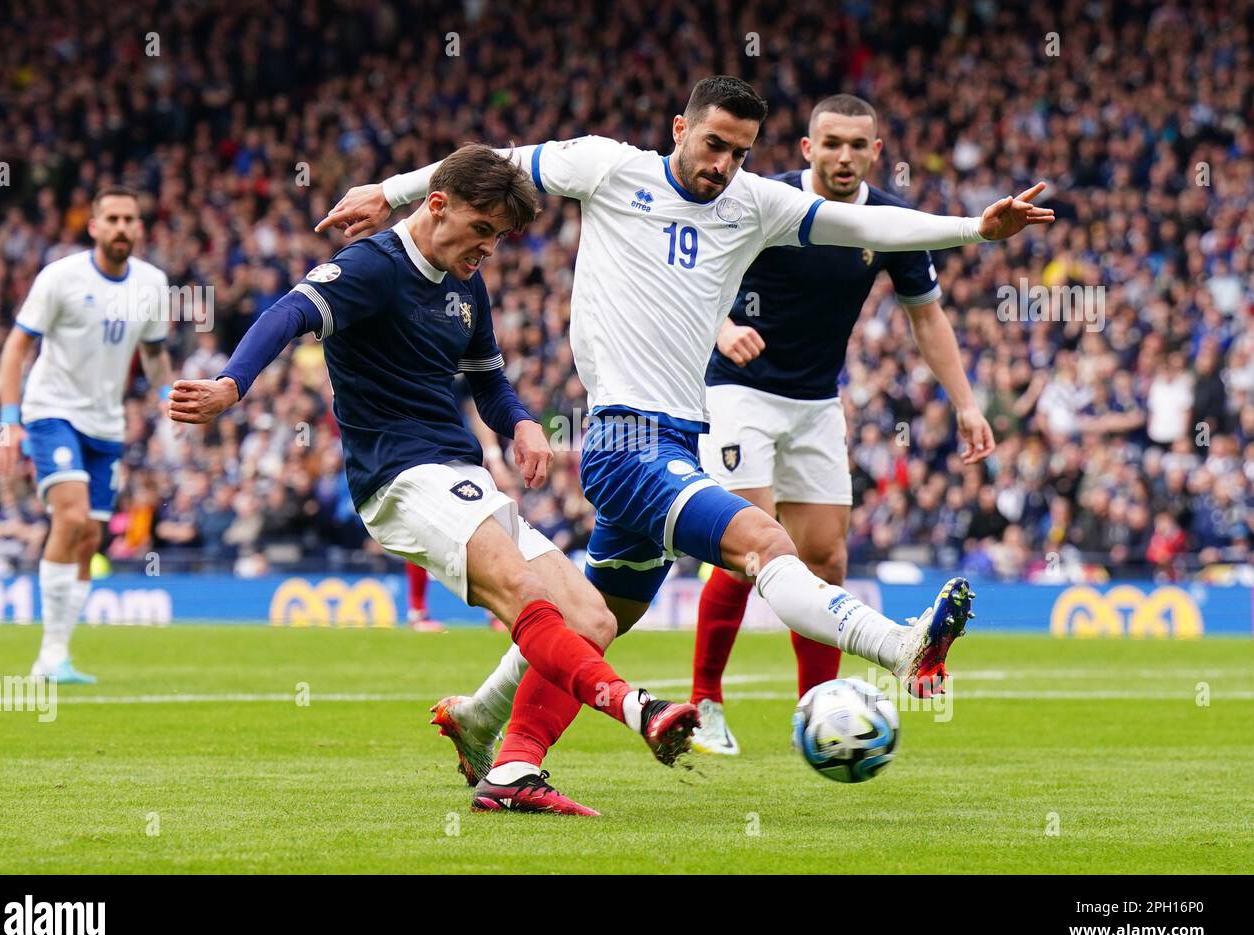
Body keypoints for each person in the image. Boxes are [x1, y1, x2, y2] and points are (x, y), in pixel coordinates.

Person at [319, 76, 1050, 801]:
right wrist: (392, 191)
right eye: (713, 145)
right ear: (679, 128)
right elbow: (498, 162)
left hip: (680, 439)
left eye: (739, 152)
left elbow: (864, 226)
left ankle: (495, 736)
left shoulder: (755, 204)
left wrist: (972, 231)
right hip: (624, 441)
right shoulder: (610, 168)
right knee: (765, 542)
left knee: (598, 619)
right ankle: (899, 646)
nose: (723, 164)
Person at [171, 144, 700, 816]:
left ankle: (483, 727)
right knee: (522, 590)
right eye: (483, 229)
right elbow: (289, 314)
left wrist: (522, 424)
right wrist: (230, 383)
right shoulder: (374, 266)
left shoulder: (465, 284)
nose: (489, 247)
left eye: (500, 237)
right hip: (399, 474)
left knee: (591, 616)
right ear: (439, 205)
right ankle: (637, 708)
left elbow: (489, 382)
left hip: (460, 472)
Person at [688, 94, 998, 754]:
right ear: (807, 148)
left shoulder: (889, 220)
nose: (845, 155)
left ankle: (819, 707)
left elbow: (926, 315)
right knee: (748, 549)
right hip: (739, 391)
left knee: (825, 557)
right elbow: (694, 276)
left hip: (817, 403)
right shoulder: (764, 201)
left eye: (859, 144)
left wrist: (967, 402)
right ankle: (705, 700)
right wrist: (722, 326)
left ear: (877, 152)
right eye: (831, 143)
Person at [0, 186, 174, 683]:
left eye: (129, 219)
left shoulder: (153, 284)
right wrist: (9, 421)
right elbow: (15, 348)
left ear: (139, 227)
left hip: (106, 423)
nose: (121, 227)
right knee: (70, 516)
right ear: (93, 226)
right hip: (51, 411)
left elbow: (155, 353)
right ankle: (48, 657)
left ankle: (60, 655)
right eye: (111, 218)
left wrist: (166, 397)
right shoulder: (60, 278)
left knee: (89, 536)